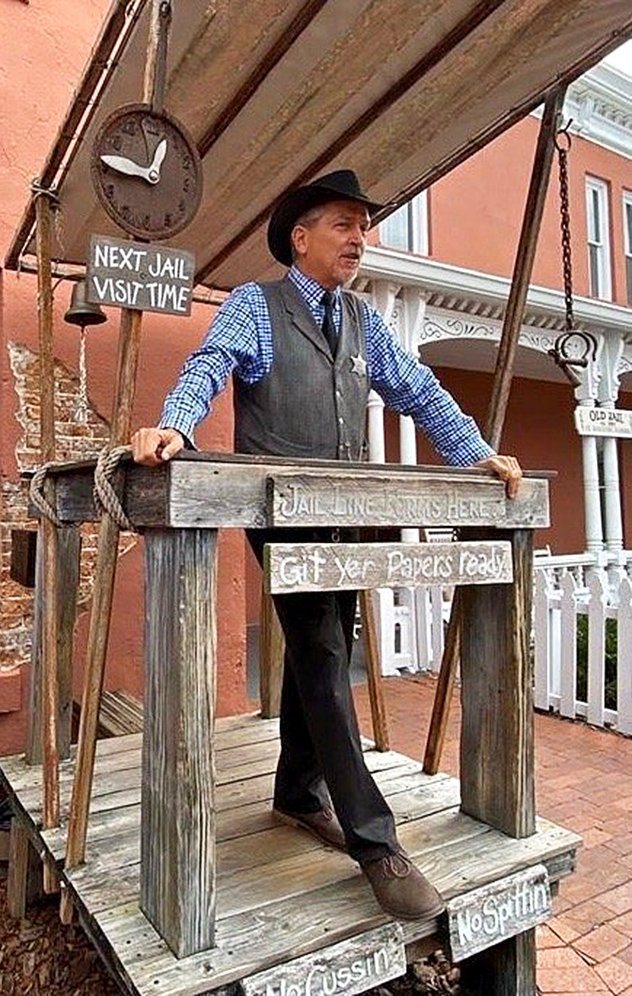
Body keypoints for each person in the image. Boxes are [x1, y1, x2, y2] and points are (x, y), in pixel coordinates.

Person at [131, 169, 523, 921]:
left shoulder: (365, 321)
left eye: (364, 226)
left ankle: (297, 790)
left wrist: (476, 451)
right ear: (300, 237)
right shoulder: (256, 306)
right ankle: (377, 844)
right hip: (282, 512)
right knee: (318, 647)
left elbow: (419, 389)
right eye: (344, 224)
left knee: (326, 645)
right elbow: (209, 365)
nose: (359, 238)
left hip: (346, 514)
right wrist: (177, 423)